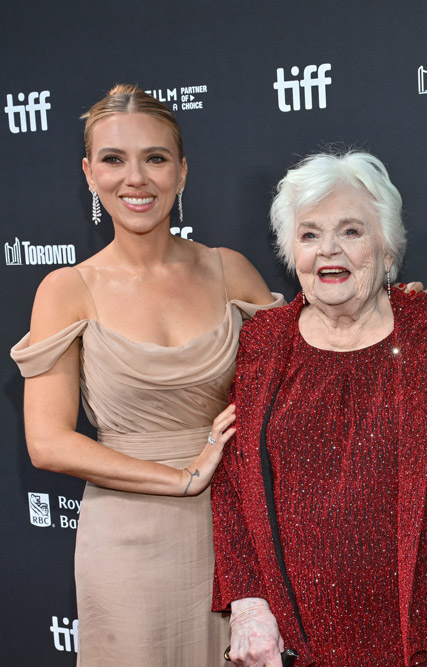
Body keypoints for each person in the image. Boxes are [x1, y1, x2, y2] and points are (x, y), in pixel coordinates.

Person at [10, 84, 281, 665]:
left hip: (235, 535)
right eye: (114, 160)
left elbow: (313, 361)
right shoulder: (66, 290)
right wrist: (182, 477)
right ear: (89, 173)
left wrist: (389, 311)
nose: (136, 179)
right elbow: (47, 442)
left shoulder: (228, 270)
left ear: (181, 172)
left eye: (155, 158)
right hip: (126, 541)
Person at [212, 150, 427, 667]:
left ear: (388, 249)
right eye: (309, 235)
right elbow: (234, 481)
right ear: (290, 251)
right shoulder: (265, 341)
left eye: (351, 231)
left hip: (414, 634)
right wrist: (248, 606)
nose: (328, 250)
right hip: (294, 636)